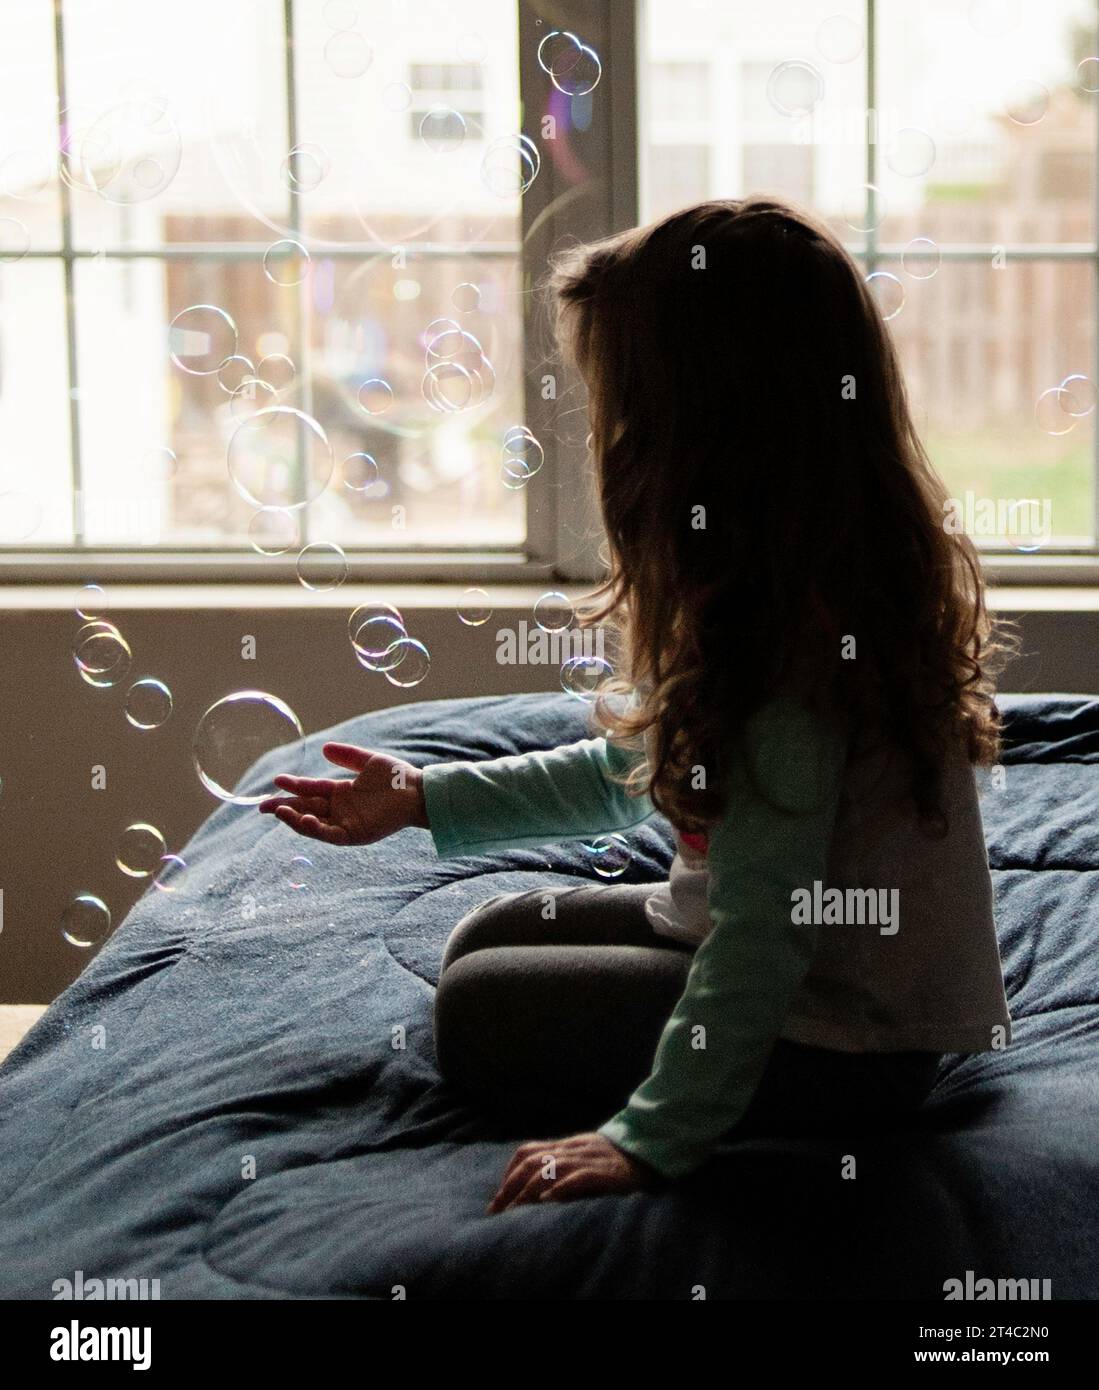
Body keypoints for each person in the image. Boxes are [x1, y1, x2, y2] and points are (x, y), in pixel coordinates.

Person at [261, 197, 1013, 1214]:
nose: (603, 434)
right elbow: (637, 778)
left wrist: (649, 1139)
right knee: (485, 936)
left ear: (701, 428)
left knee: (481, 1010)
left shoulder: (794, 655)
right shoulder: (775, 585)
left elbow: (764, 936)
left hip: (845, 1039)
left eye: (618, 404)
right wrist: (425, 798)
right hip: (790, 972)